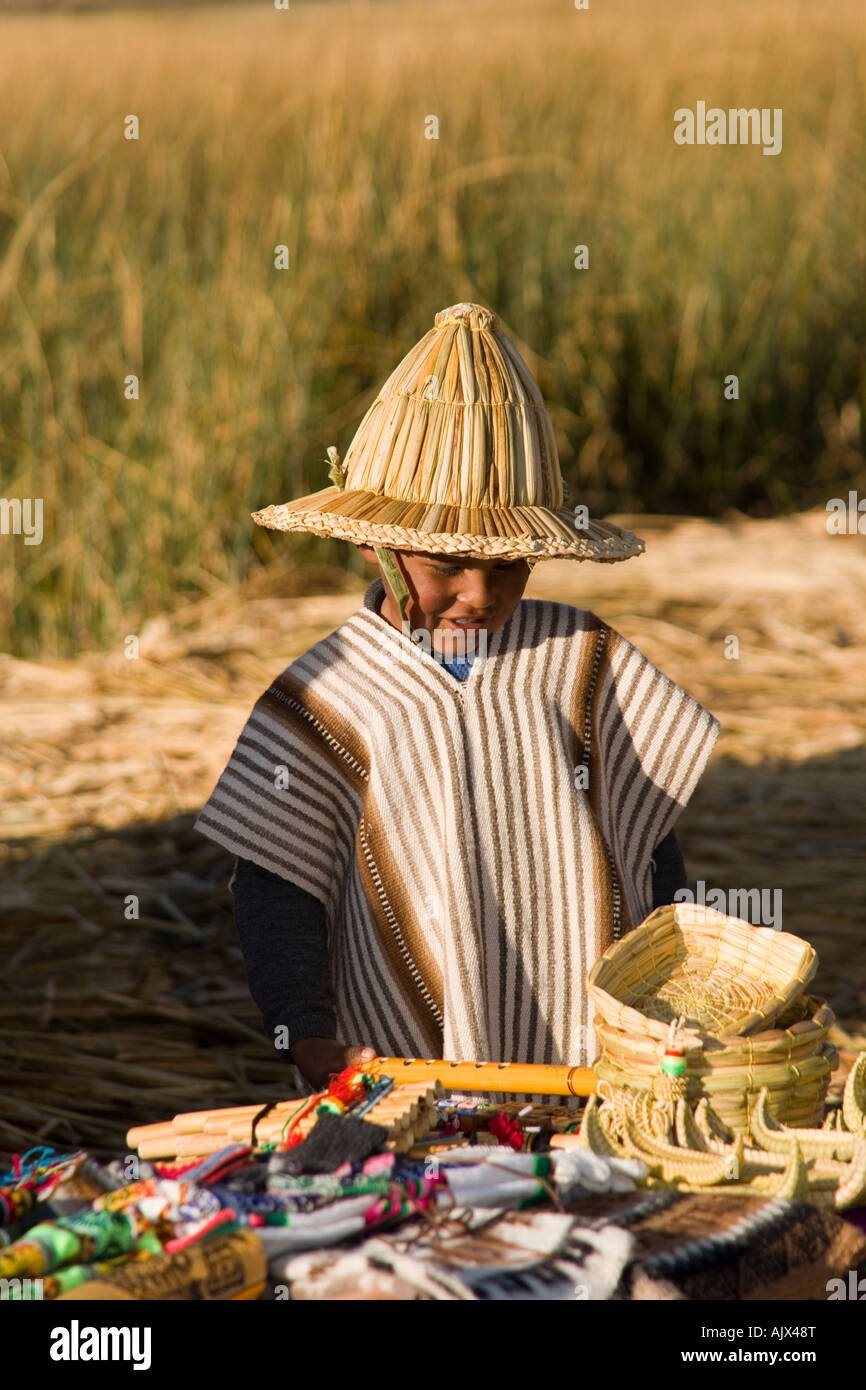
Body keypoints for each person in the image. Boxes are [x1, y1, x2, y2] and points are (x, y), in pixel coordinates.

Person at [194, 302, 719, 1093]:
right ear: (379, 546)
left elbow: (649, 842)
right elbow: (277, 881)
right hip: (405, 1060)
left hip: (598, 1053)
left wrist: (677, 991)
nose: (478, 592)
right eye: (447, 563)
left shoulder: (582, 663)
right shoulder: (330, 695)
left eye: (508, 565)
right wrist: (302, 1028)